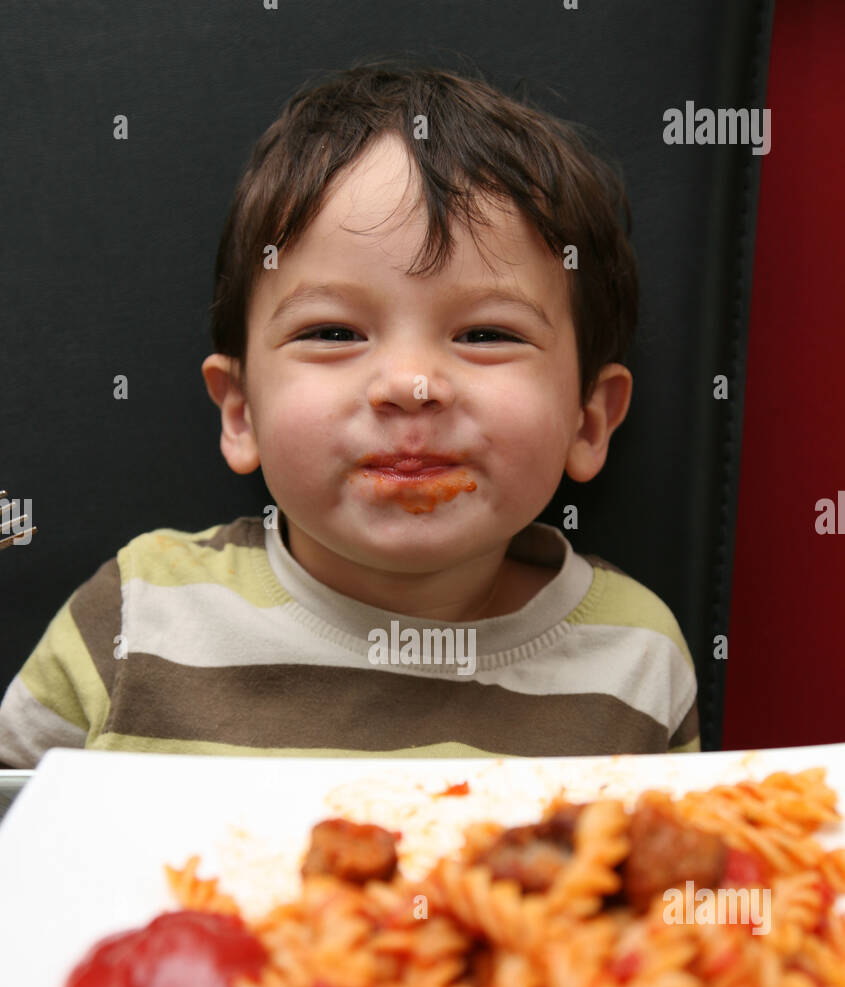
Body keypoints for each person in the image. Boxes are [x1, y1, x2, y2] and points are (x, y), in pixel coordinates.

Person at [0, 61, 700, 769]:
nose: (410, 384)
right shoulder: (136, 617)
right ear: (240, 413)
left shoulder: (633, 653)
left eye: (486, 335)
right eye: (333, 333)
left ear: (587, 423)